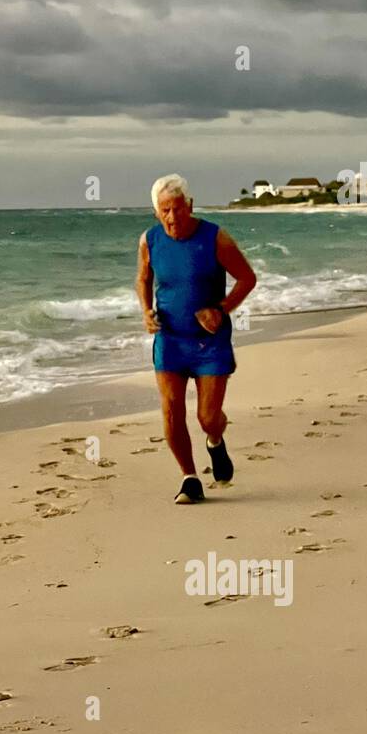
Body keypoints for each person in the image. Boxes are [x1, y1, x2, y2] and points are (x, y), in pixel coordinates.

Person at [135, 175, 257, 504]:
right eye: (164, 211)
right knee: (172, 410)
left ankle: (215, 440)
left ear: (190, 205)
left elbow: (247, 278)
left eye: (177, 209)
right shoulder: (150, 240)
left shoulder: (215, 238)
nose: (171, 217)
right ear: (156, 212)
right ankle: (189, 478)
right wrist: (146, 311)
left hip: (210, 342)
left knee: (207, 417)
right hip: (170, 340)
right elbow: (143, 279)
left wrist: (221, 308)